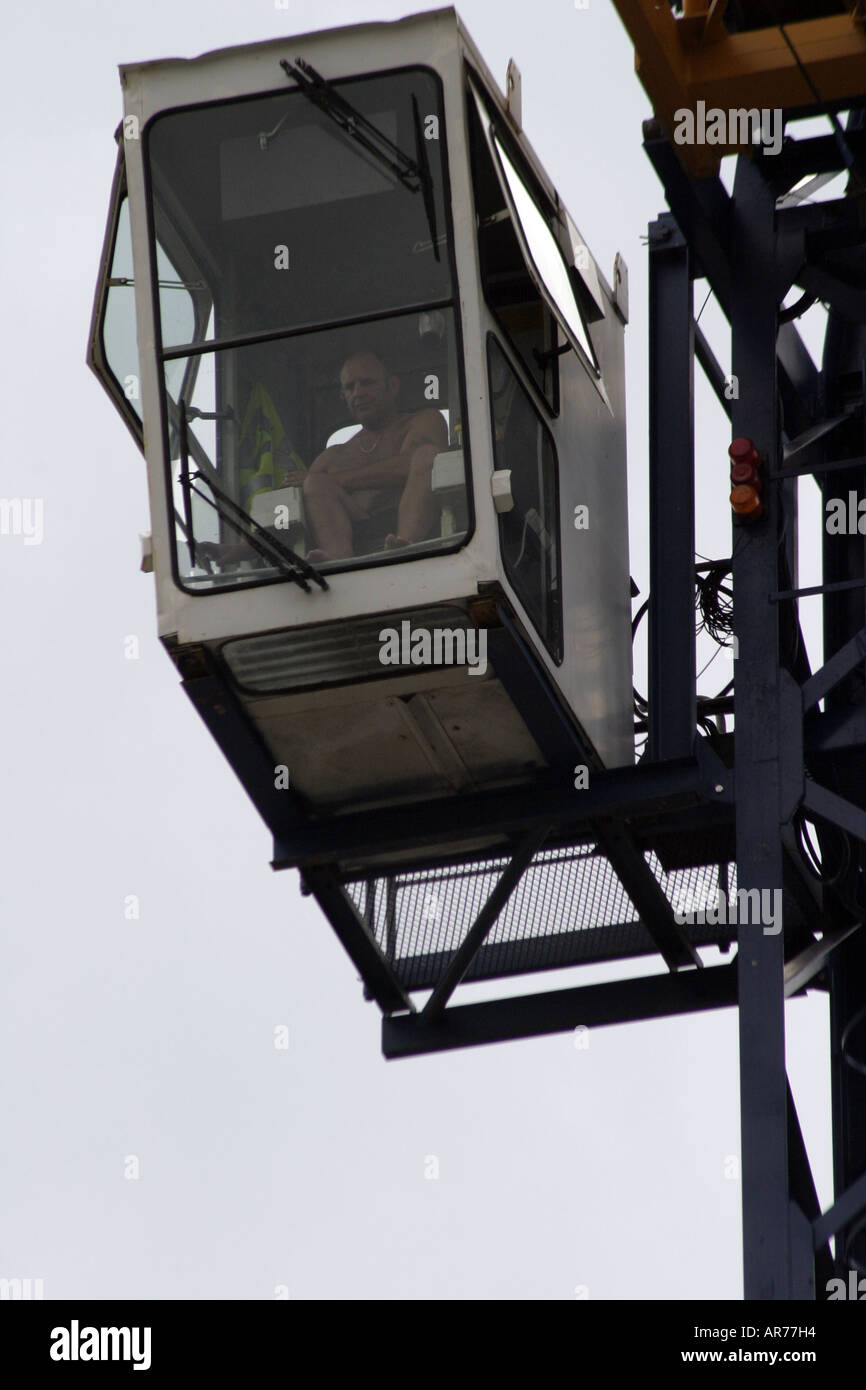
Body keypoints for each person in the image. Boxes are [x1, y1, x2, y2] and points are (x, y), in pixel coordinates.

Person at [281, 351, 448, 562]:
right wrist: (242, 548)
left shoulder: (425, 420)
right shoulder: (333, 456)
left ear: (392, 386)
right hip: (358, 529)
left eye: (367, 383)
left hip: (422, 534)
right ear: (344, 396)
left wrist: (338, 479)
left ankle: (405, 544)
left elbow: (410, 464)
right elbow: (292, 509)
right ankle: (337, 557)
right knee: (314, 483)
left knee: (426, 454)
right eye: (350, 387)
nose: (358, 393)